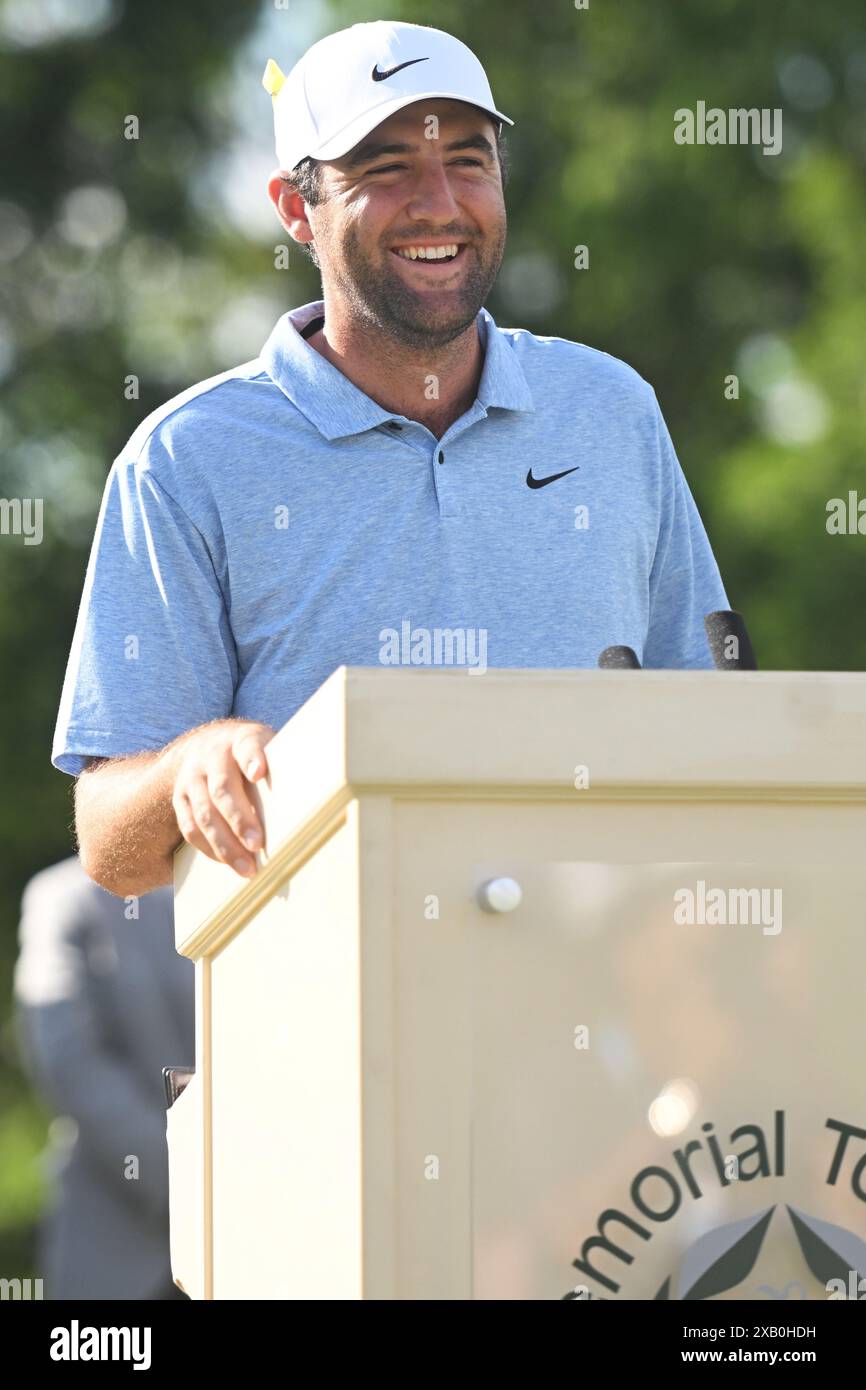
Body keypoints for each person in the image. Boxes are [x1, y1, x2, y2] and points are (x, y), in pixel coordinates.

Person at [52, 20, 729, 899]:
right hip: (335, 1011)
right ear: (297, 209)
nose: (440, 202)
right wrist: (188, 764)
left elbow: (720, 723)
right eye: (386, 167)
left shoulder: (611, 411)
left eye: (471, 161)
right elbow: (110, 850)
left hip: (605, 1007)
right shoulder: (186, 459)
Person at [14, 857, 194, 1299]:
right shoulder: (63, 898)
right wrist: (192, 1184)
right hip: (119, 1250)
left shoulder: (239, 877)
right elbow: (71, 1063)